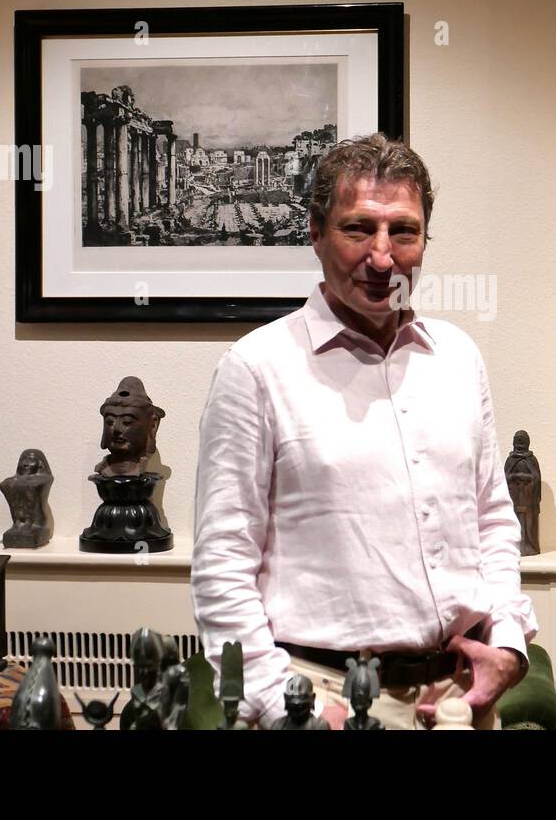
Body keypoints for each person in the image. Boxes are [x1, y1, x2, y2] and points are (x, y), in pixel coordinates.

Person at [192, 132, 536, 730]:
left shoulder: (458, 357)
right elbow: (223, 563)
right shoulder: (256, 368)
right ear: (315, 233)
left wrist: (508, 643)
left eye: (403, 231)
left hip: (457, 698)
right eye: (358, 229)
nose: (383, 257)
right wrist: (285, 707)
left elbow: (491, 520)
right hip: (319, 700)